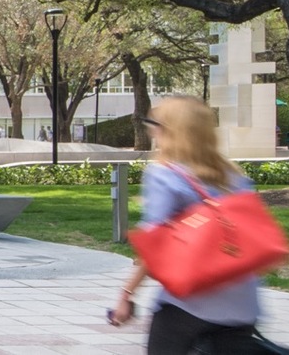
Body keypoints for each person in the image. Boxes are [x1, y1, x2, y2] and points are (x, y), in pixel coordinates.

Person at [108, 96, 270, 353]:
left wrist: (126, 295)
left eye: (154, 123)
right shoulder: (235, 176)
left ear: (167, 130)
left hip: (190, 302)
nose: (151, 129)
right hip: (243, 302)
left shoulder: (165, 174)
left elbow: (155, 245)